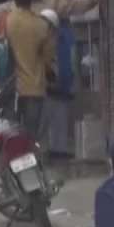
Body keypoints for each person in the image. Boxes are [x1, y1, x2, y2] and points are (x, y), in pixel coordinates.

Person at [4, 0, 56, 141]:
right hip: (34, 87)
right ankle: (28, 162)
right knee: (31, 134)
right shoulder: (41, 26)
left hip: (11, 87)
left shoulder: (8, 20)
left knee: (12, 132)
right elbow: (48, 59)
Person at [41, 8, 76, 159]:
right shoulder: (40, 40)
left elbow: (71, 61)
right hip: (45, 88)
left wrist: (70, 82)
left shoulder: (64, 38)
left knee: (60, 122)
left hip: (62, 86)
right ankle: (45, 152)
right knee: (44, 123)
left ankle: (58, 152)